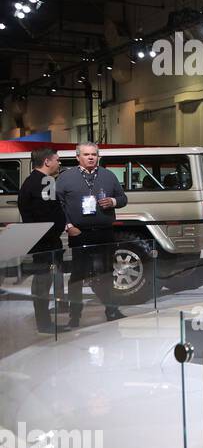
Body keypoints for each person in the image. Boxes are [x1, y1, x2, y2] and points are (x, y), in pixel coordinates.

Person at [55, 142, 129, 325]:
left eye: (94, 154)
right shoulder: (65, 178)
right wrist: (68, 225)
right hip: (80, 234)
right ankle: (75, 316)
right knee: (77, 276)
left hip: (104, 233)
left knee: (106, 273)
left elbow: (123, 198)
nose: (90, 157)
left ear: (98, 157)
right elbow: (57, 205)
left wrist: (113, 201)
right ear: (77, 157)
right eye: (86, 154)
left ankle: (112, 310)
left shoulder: (108, 175)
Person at [17, 147, 67, 333]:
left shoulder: (34, 181)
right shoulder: (43, 182)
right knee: (42, 284)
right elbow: (46, 216)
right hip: (45, 244)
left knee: (43, 284)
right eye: (57, 159)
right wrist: (56, 230)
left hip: (45, 242)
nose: (59, 163)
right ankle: (44, 323)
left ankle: (44, 322)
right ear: (47, 161)